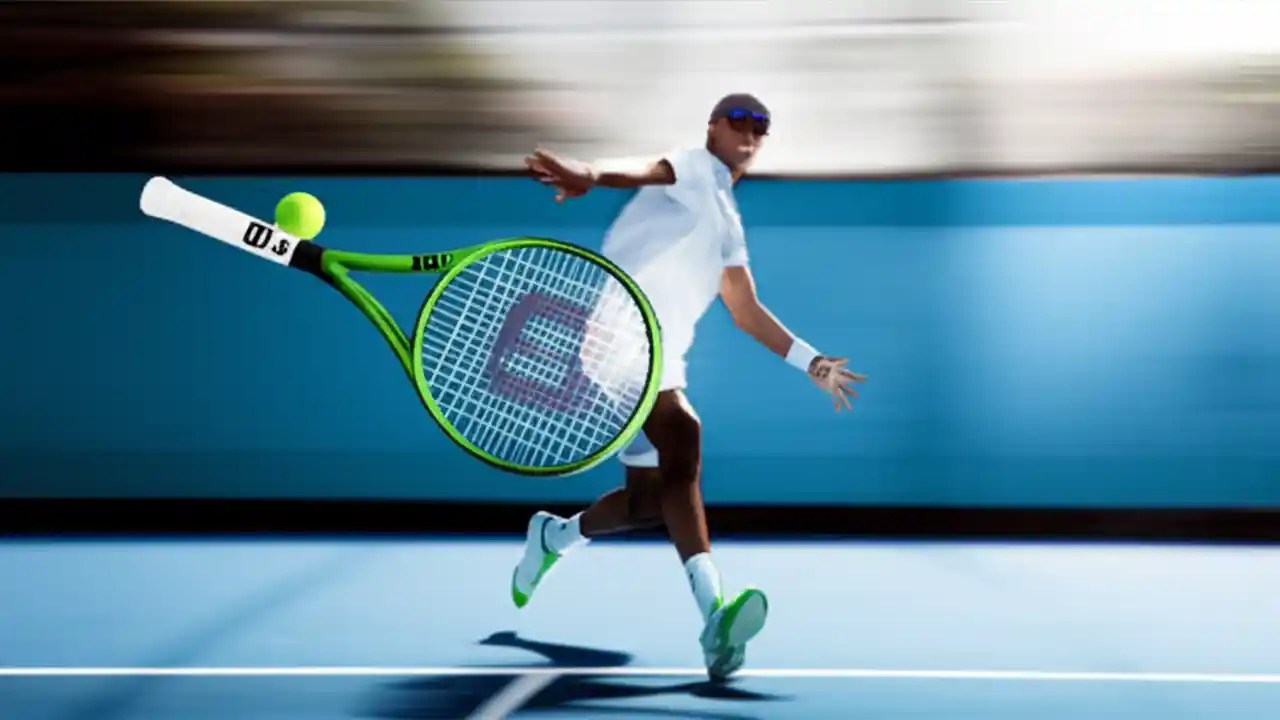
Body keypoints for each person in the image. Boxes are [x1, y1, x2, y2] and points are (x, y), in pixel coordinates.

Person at [511, 93, 866, 680]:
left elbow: (745, 309)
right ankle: (716, 616)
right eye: (740, 121)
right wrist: (591, 175)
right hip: (620, 335)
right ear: (714, 128)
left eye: (762, 126)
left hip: (663, 355)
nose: (751, 133)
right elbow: (651, 168)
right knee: (684, 434)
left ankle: (554, 536)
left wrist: (814, 364)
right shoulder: (693, 167)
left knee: (652, 502)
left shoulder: (727, 217)